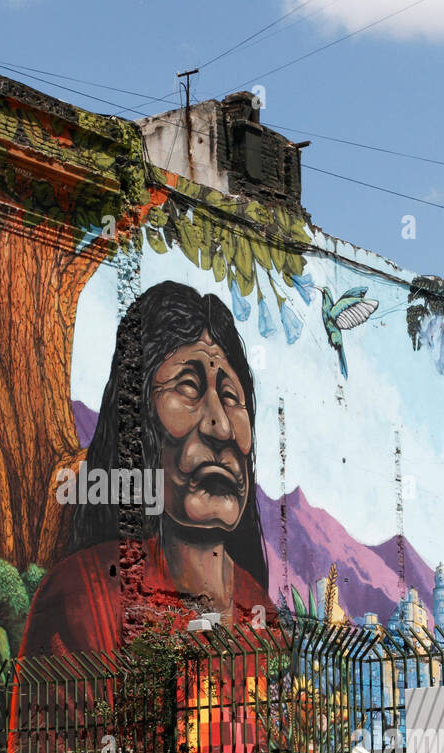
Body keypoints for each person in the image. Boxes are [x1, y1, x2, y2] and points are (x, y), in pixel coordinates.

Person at [18, 281, 276, 658]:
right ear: (137, 421)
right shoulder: (81, 601)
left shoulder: (260, 611)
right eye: (187, 387)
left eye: (231, 397)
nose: (220, 425)